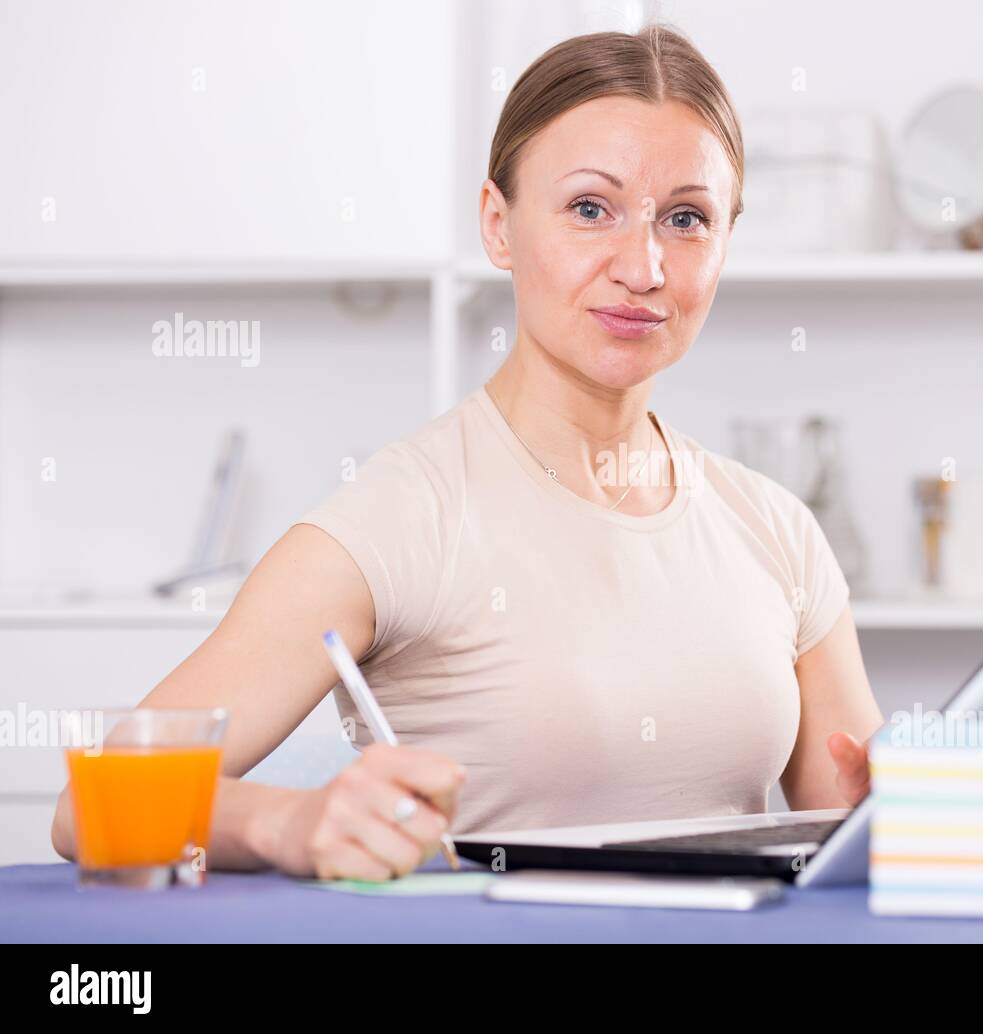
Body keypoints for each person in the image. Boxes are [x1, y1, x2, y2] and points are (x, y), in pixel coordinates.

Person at [51, 22, 884, 882]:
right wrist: (292, 824)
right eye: (590, 208)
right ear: (498, 223)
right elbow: (94, 805)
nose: (643, 266)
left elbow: (855, 834)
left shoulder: (777, 529)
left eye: (686, 218)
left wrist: (901, 810)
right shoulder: (404, 514)